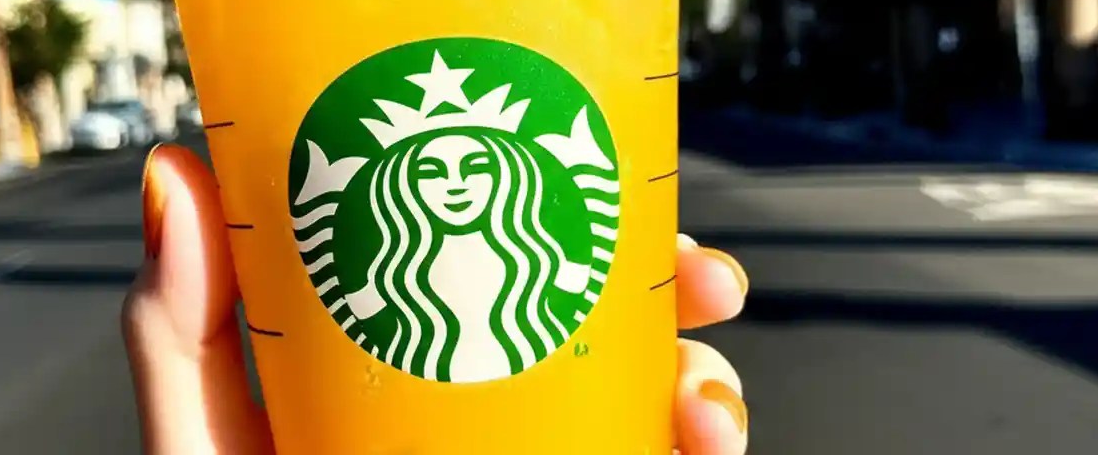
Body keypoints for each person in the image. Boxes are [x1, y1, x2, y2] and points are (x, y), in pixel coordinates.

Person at [124, 144, 751, 454]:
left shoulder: (540, 273)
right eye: (429, 171)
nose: (453, 185)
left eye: (474, 167)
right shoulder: (386, 285)